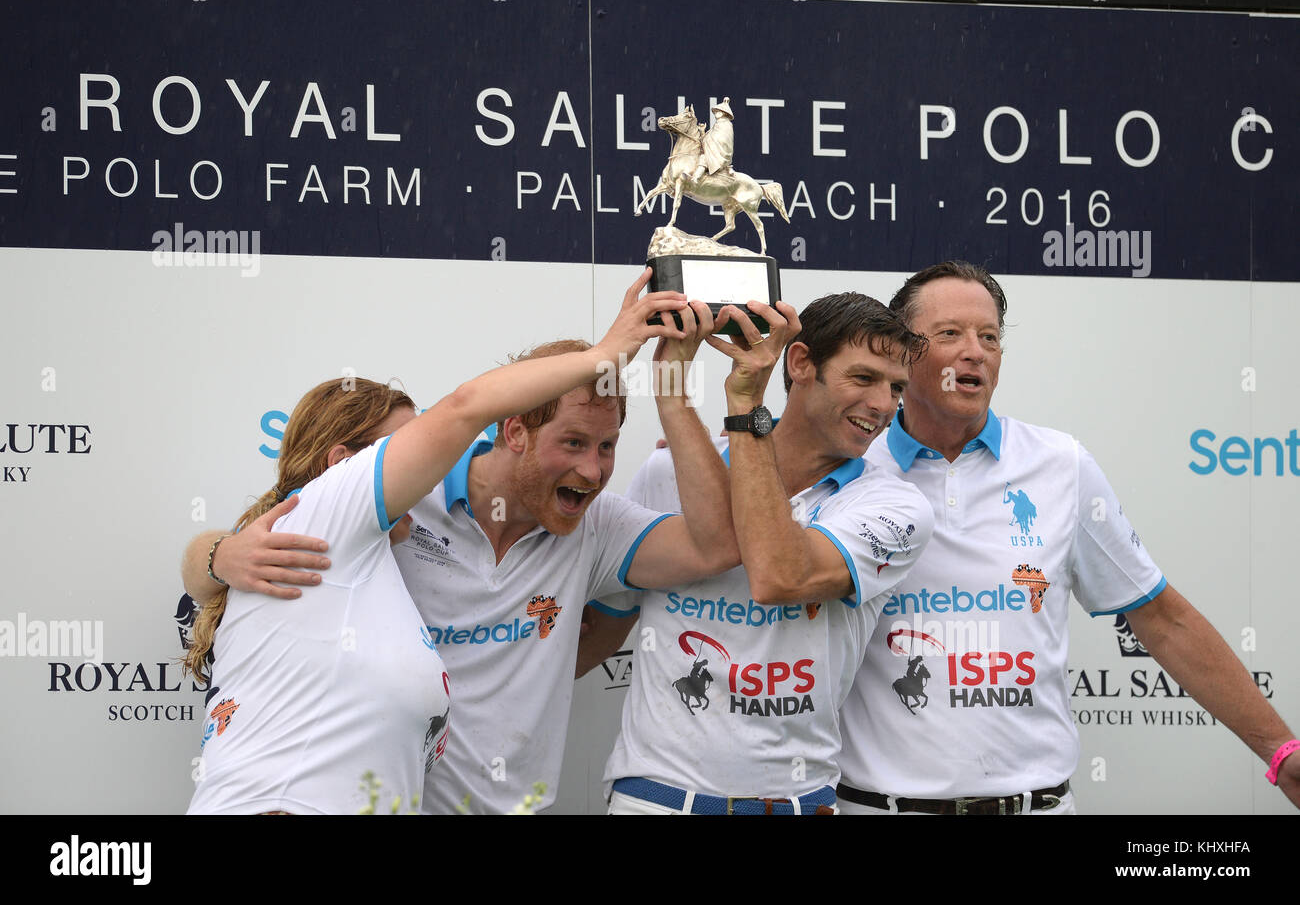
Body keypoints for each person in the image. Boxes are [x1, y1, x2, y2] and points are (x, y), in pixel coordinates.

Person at [181, 269, 741, 814]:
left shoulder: (598, 527)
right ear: (514, 430)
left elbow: (715, 548)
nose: (593, 471)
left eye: (607, 447)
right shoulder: (394, 504)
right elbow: (461, 409)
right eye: (572, 442)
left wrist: (673, 395)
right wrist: (216, 554)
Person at [835, 260, 1300, 814]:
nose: (975, 352)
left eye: (990, 337)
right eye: (950, 334)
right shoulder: (851, 468)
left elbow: (1162, 619)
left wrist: (1281, 750)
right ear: (904, 354)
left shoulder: (1060, 466)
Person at [603, 292, 935, 814]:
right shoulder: (670, 470)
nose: (883, 405)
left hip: (795, 802)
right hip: (657, 798)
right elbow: (602, 626)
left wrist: (745, 408)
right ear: (800, 363)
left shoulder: (895, 504)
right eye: (864, 378)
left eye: (896, 388)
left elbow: (779, 576)